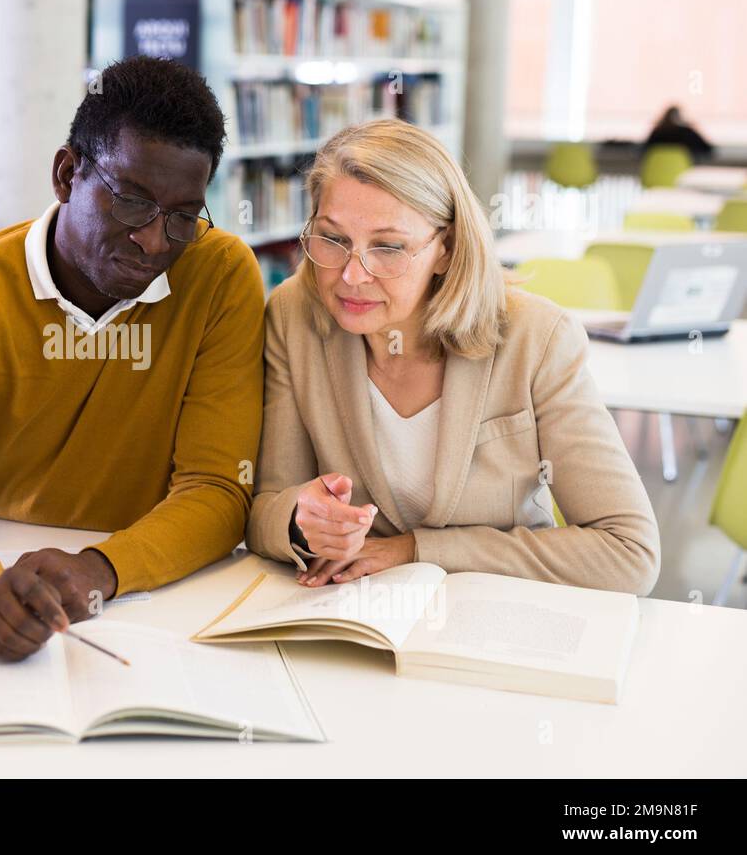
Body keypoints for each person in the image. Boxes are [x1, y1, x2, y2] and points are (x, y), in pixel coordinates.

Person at [0, 55, 264, 661]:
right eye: (132, 202)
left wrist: (99, 570)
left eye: (182, 217)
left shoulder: (220, 276)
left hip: (150, 607)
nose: (153, 240)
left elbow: (218, 488)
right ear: (67, 174)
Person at [246, 118, 659, 594]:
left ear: (446, 248)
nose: (352, 276)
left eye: (388, 247)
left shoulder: (537, 338)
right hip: (353, 614)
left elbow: (629, 552)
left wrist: (416, 549)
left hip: (501, 614)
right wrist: (300, 521)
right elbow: (265, 509)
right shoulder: (294, 314)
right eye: (333, 239)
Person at [643, 105, 714, 162]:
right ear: (680, 117)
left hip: (655, 175)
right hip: (682, 175)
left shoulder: (657, 132)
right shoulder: (688, 132)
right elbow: (707, 149)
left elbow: (644, 150)